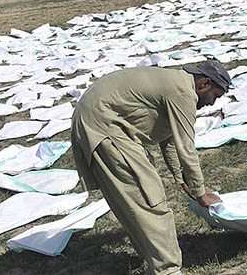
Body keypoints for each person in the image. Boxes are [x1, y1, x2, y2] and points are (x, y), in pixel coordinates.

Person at [71, 61, 231, 275]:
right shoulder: (183, 92)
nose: (212, 103)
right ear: (204, 83)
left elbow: (170, 140)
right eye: (215, 95)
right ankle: (167, 269)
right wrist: (201, 193)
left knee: (132, 201)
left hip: (98, 121)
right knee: (149, 199)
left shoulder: (176, 82)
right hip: (106, 127)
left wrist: (184, 181)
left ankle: (154, 255)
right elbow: (186, 146)